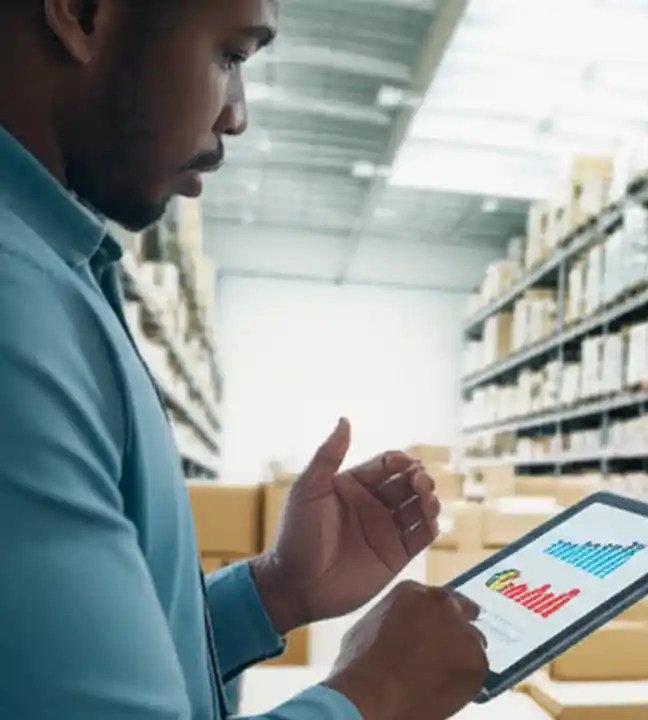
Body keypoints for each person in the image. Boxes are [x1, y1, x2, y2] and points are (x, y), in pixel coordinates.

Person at [0, 2, 487, 719]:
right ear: (79, 12)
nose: (237, 115)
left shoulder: (56, 271)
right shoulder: (17, 311)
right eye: (229, 56)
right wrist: (375, 694)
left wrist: (276, 589)